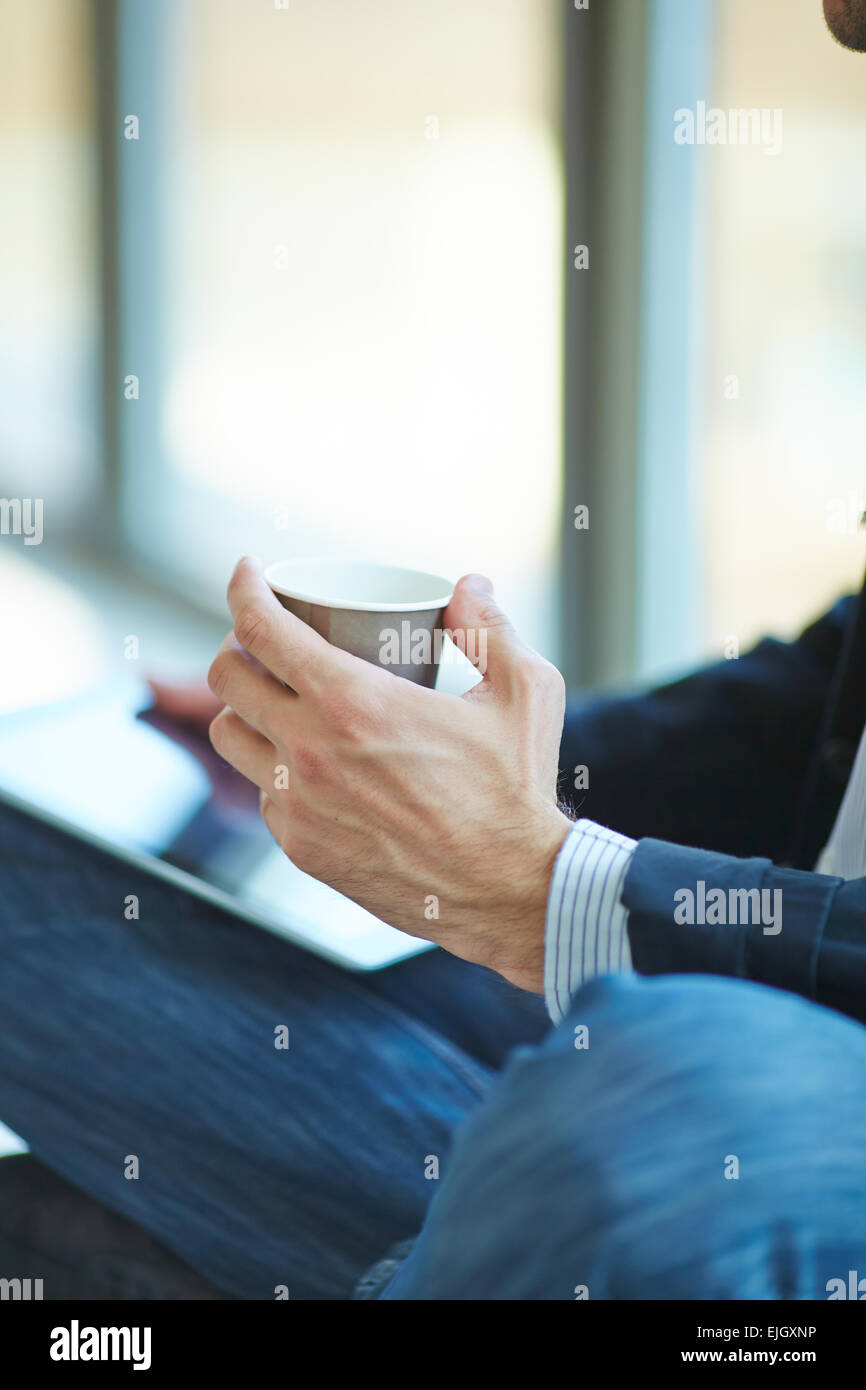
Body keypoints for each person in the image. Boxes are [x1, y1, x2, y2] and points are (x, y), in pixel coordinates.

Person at [2, 0, 866, 1302]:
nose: (831, 15)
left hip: (717, 1112)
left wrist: (537, 887)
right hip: (638, 1066)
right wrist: (412, 773)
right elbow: (819, 699)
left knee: (666, 1098)